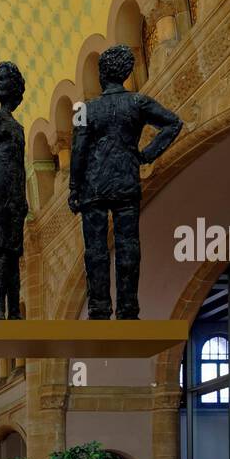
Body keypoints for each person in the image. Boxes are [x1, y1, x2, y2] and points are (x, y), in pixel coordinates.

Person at [69, 44, 182, 319]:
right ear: (127, 73)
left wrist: (74, 187)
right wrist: (145, 155)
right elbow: (173, 124)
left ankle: (99, 308)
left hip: (93, 187)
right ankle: (128, 308)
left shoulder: (86, 109)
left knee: (96, 250)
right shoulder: (137, 102)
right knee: (128, 246)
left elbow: (79, 150)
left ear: (102, 75)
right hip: (125, 181)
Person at [0, 61, 27, 319]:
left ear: (15, 87)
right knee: (1, 248)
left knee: (14, 250)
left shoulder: (19, 128)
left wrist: (23, 196)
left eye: (4, 78)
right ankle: (0, 306)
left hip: (15, 192)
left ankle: (14, 308)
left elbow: (21, 165)